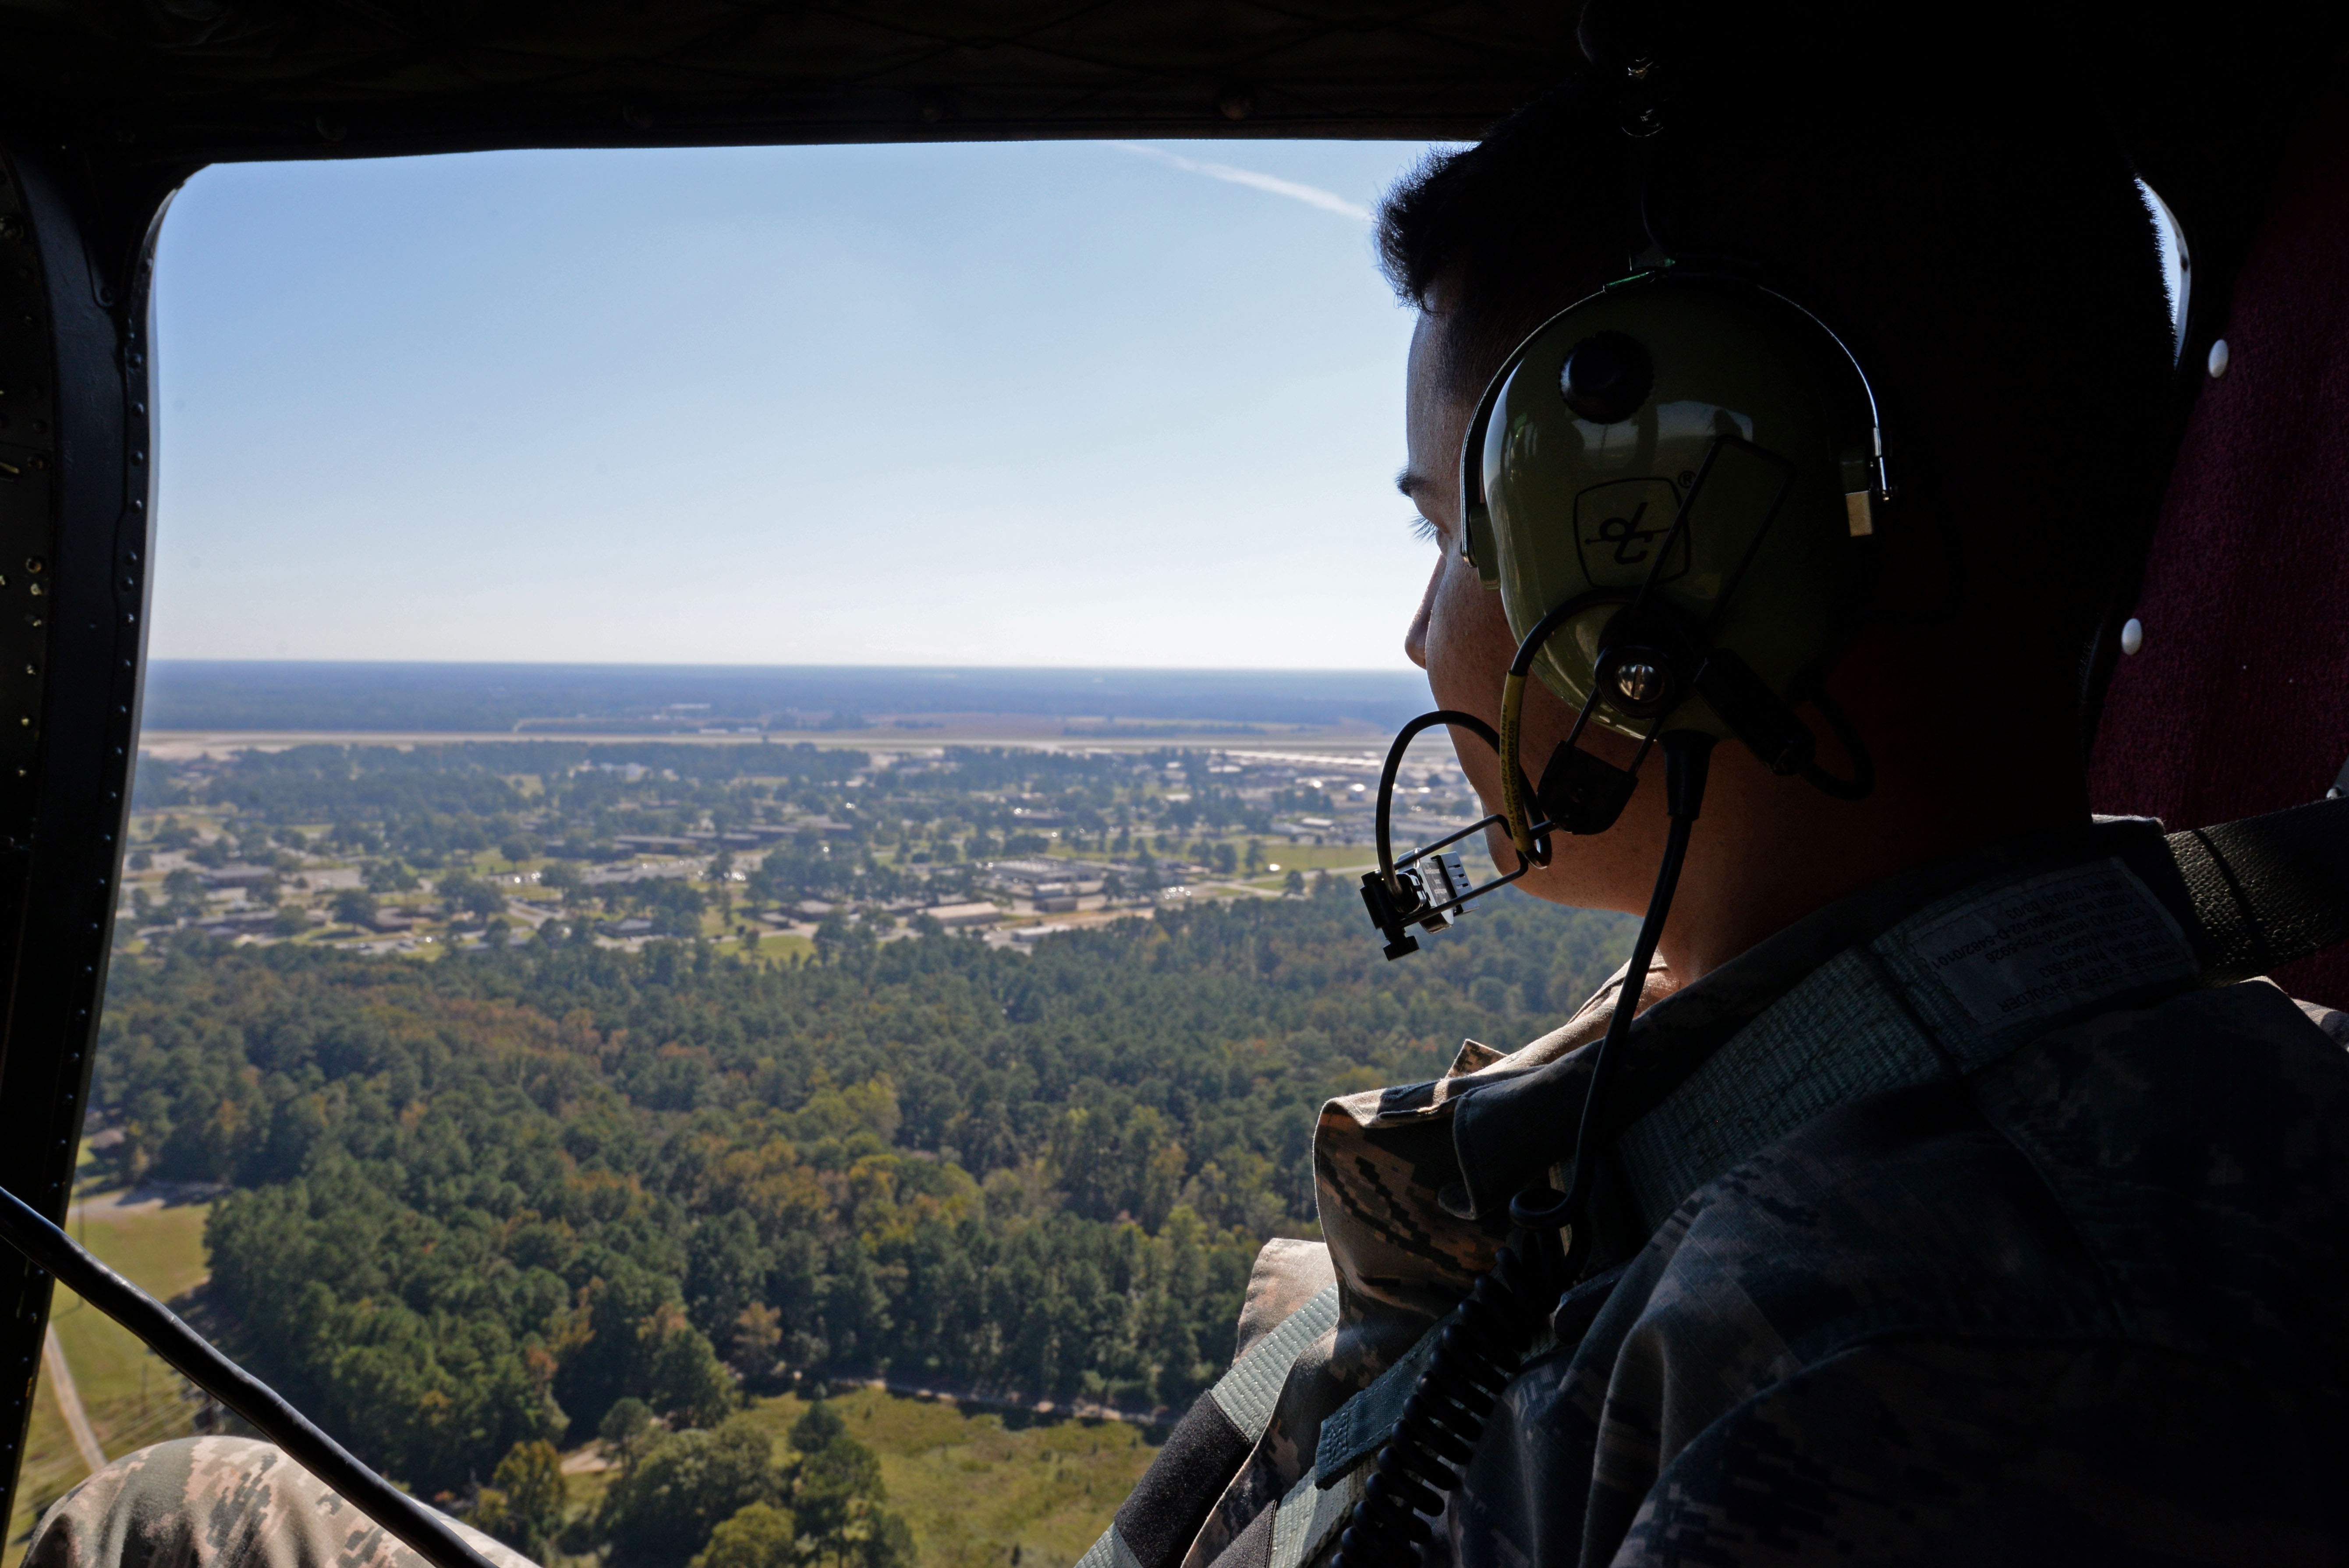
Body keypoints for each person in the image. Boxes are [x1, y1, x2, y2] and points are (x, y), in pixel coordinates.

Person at [1074, 32, 2349, 1568]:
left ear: (1656, 555)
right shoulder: (1767, 1109)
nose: (1420, 635)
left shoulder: (1934, 1365)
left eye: (1452, 531)